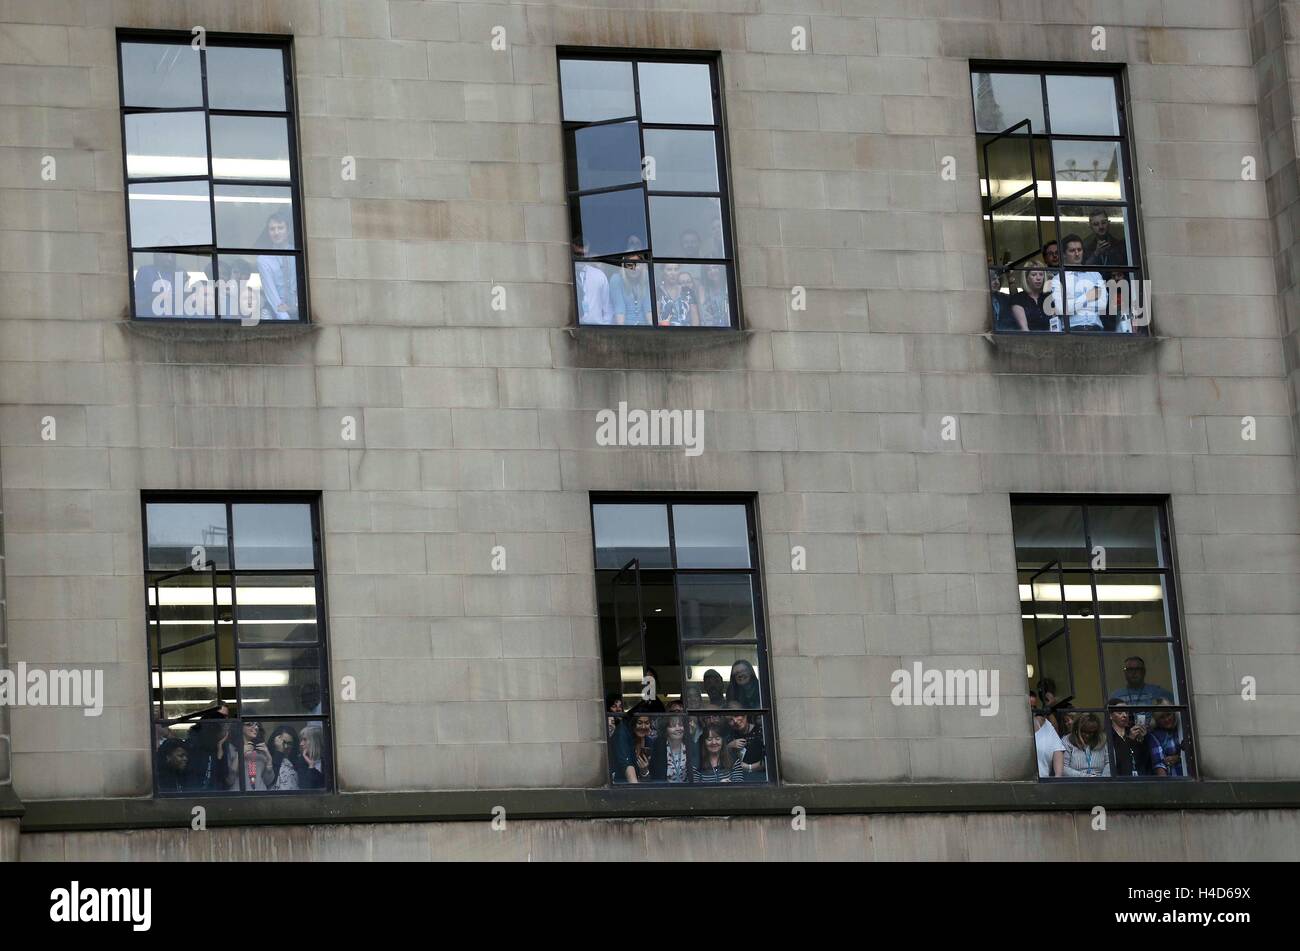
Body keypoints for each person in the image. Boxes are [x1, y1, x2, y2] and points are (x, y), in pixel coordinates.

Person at [1047, 234, 1106, 331]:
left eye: (1079, 249)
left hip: (1096, 329)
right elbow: (1061, 309)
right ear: (1064, 254)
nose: (1077, 253)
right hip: (1072, 330)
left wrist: (1073, 303)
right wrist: (1087, 296)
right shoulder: (1058, 279)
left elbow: (1102, 305)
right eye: (1072, 251)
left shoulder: (1095, 275)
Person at [255, 211, 298, 321]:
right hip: (277, 312)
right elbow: (271, 292)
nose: (276, 232)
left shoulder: (297, 253)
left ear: (287, 231)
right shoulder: (264, 259)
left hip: (299, 310)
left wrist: (298, 308)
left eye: (280, 228)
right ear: (268, 233)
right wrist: (286, 319)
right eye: (272, 229)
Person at [1108, 701, 1154, 776]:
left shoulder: (1133, 731)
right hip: (1120, 780)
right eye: (1120, 713)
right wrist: (1130, 740)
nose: (1125, 715)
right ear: (1110, 716)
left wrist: (1141, 739)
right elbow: (1117, 760)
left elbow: (1146, 761)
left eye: (1127, 712)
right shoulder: (1108, 735)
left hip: (1140, 778)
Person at [134, 245, 181, 317]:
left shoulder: (179, 273)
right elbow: (137, 304)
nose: (170, 258)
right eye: (166, 254)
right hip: (150, 321)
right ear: (156, 254)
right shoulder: (145, 271)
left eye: (173, 255)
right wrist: (154, 298)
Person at [1109, 656, 1174, 706]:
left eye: (1137, 669)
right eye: (1130, 669)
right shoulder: (1116, 696)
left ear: (1143, 672)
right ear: (1125, 672)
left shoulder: (1157, 692)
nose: (1134, 672)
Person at [1008, 261, 1053, 332]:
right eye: (1034, 274)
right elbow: (1024, 329)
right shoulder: (1018, 299)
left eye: (1041, 274)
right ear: (1026, 278)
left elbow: (1054, 325)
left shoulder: (1048, 297)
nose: (1038, 278)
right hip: (1029, 341)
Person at [610, 251, 652, 325]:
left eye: (637, 264)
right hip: (626, 327)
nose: (634, 268)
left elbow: (648, 309)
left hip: (644, 327)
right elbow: (620, 310)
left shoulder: (646, 278)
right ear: (624, 265)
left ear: (642, 266)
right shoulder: (616, 279)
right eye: (629, 264)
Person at [1061, 713, 1110, 777]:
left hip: (1101, 781)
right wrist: (1086, 777)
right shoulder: (1067, 740)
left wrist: (1102, 780)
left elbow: (1110, 763)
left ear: (1096, 732)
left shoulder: (1103, 740)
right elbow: (1063, 768)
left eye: (1091, 732)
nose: (1087, 735)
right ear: (1076, 730)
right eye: (1083, 732)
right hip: (1076, 782)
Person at [650, 714, 696, 783]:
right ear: (666, 729)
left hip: (687, 790)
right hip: (664, 791)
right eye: (673, 726)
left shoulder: (690, 745)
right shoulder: (659, 746)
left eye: (680, 725)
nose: (678, 729)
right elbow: (655, 775)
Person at [1145, 700, 1185, 777]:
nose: (1167, 719)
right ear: (1156, 720)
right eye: (1162, 717)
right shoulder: (1154, 735)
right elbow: (1159, 764)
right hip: (1173, 778)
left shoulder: (1182, 728)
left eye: (1168, 714)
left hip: (1189, 775)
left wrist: (1179, 758)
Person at [1030, 692, 1065, 778]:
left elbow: (1057, 750)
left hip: (1043, 782)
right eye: (1028, 707)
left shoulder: (1046, 725)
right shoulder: (1011, 727)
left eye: (1034, 707)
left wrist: (1057, 778)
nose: (1031, 710)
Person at [725, 712, 766, 781]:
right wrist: (729, 746)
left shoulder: (761, 731)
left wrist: (749, 767)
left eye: (737, 715)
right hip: (738, 779)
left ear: (745, 715)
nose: (735, 721)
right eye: (730, 720)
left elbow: (770, 760)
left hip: (761, 779)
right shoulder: (730, 735)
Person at [240, 720, 276, 790]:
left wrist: (269, 760)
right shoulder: (231, 749)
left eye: (257, 724)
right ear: (240, 727)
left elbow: (268, 781)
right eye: (249, 724)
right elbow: (229, 780)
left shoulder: (261, 750)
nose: (255, 727)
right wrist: (240, 754)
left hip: (260, 796)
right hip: (239, 797)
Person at [267, 725, 302, 791]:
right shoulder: (267, 758)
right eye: (283, 742)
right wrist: (279, 752)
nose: (286, 746)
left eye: (289, 743)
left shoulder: (298, 760)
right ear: (275, 741)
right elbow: (270, 781)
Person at [296, 723, 327, 789]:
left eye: (305, 740)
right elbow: (306, 788)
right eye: (301, 740)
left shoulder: (328, 760)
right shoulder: (301, 761)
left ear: (315, 741)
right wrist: (311, 767)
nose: (301, 744)